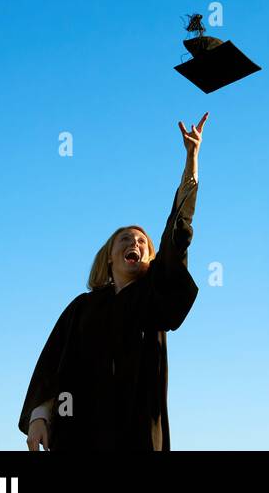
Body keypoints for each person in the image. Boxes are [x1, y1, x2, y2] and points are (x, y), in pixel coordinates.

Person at [19, 113, 207, 450]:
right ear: (109, 255)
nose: (134, 244)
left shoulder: (152, 297)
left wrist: (191, 163)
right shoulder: (82, 308)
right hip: (79, 434)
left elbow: (177, 235)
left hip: (135, 435)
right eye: (125, 240)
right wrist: (39, 417)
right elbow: (53, 366)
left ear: (150, 258)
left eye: (141, 242)